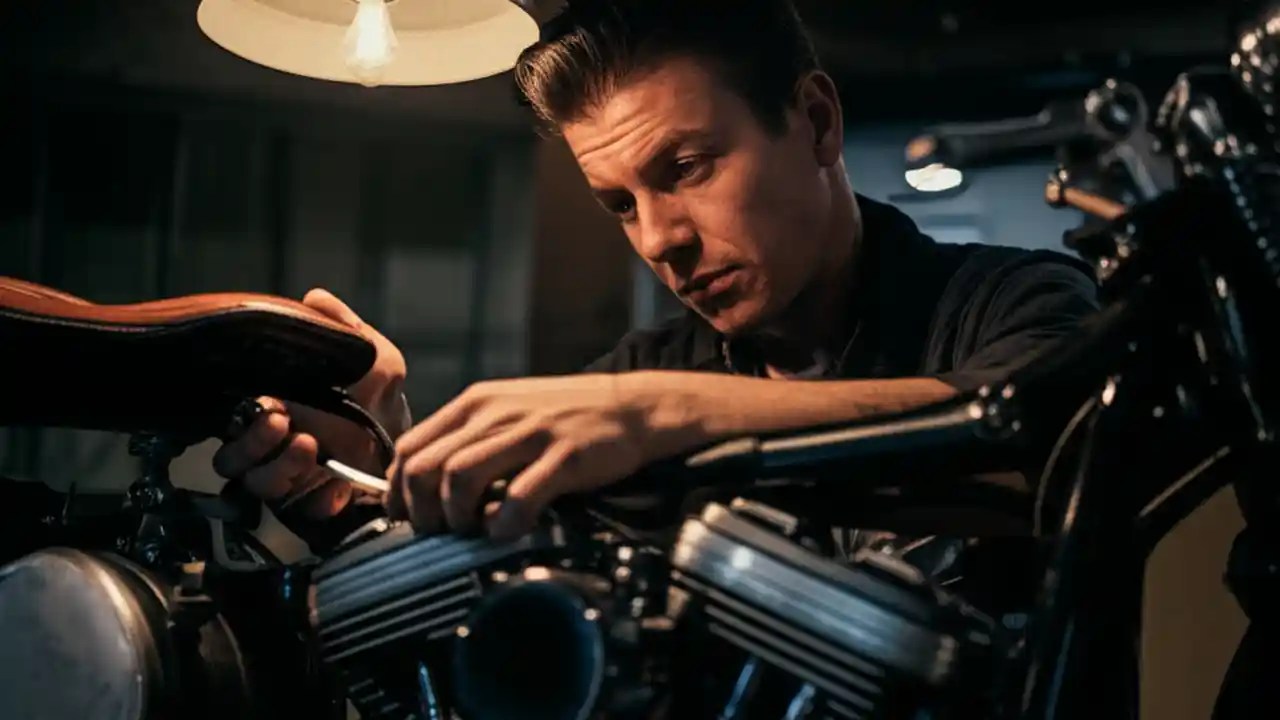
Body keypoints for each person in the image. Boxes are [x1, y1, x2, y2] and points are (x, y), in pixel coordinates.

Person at [213, 0, 1098, 548]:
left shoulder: (1015, 300)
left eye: (686, 168)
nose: (660, 239)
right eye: (621, 204)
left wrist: (664, 418)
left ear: (818, 125)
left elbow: (1050, 443)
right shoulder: (638, 377)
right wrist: (372, 474)